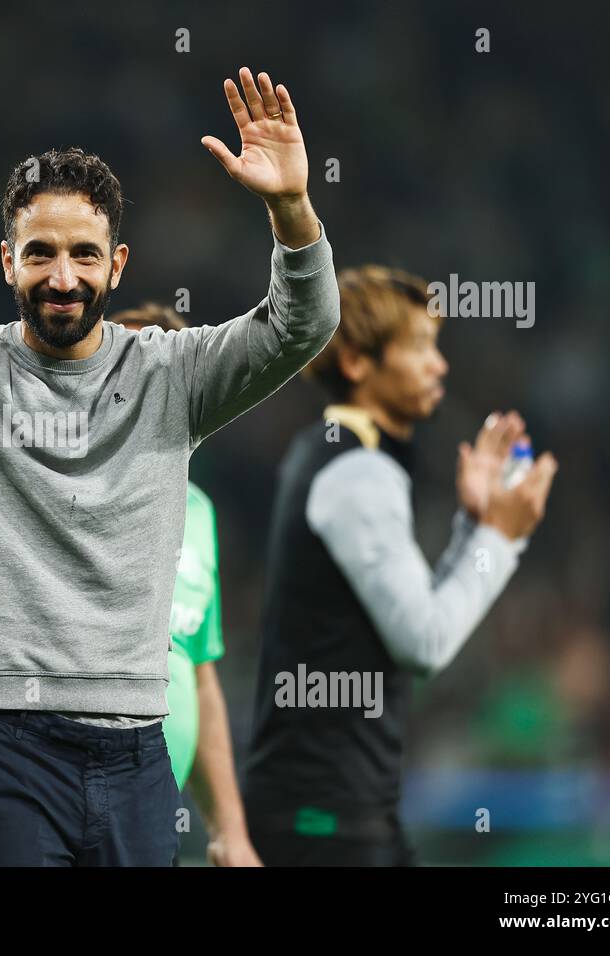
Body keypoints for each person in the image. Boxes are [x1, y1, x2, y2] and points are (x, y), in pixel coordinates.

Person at [0, 6, 339, 866]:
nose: (64, 278)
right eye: (42, 254)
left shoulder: (174, 377)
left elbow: (303, 323)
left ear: (118, 265)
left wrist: (291, 206)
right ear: (10, 261)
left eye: (86, 256)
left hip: (137, 754)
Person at [239, 265, 558, 865]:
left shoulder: (328, 455)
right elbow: (426, 641)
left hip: (328, 814)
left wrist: (472, 528)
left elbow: (410, 610)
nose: (439, 365)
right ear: (358, 362)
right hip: (327, 825)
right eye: (419, 347)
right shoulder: (360, 474)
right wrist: (501, 536)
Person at [114, 303, 259, 867]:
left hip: (151, 822)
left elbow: (199, 672)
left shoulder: (197, 511)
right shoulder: (53, 494)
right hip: (63, 810)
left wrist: (230, 831)